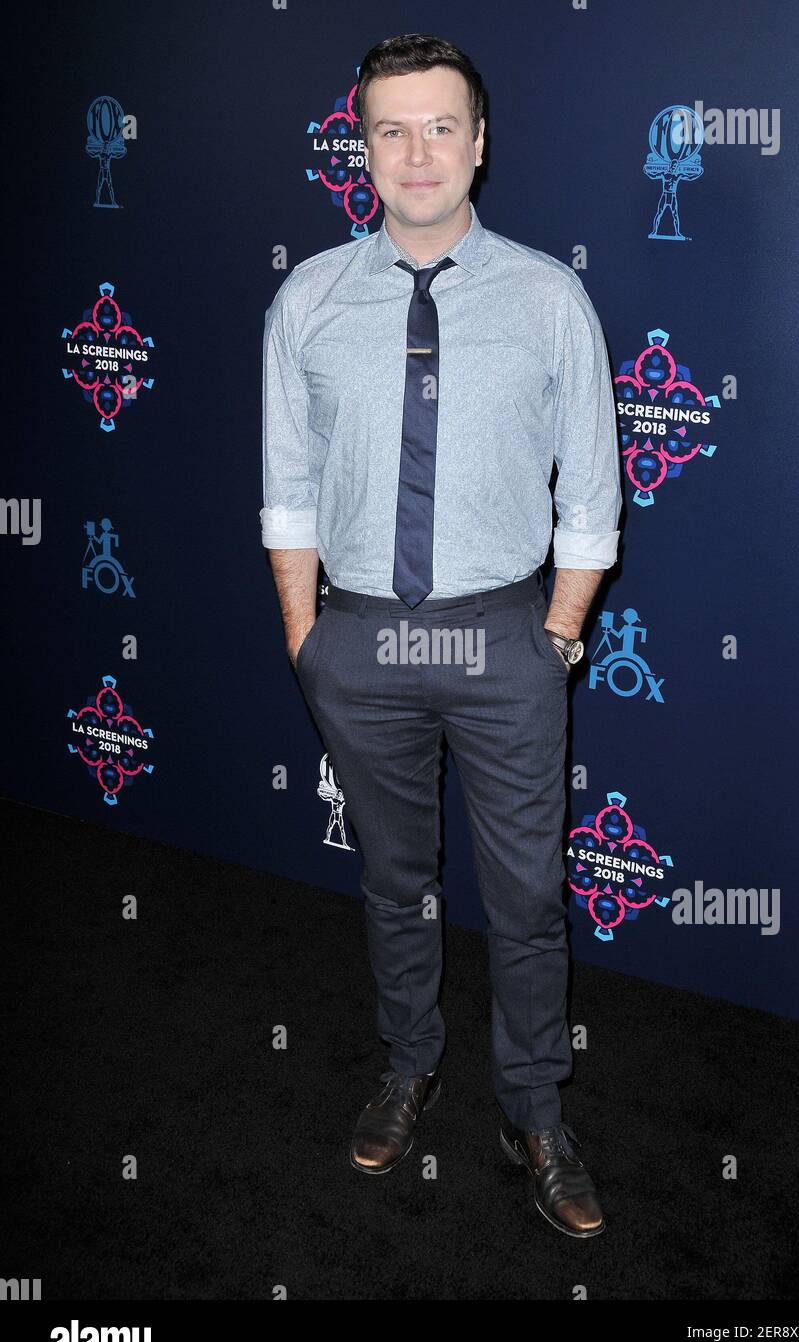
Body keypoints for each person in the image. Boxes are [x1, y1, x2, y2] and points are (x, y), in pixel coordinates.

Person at [261, 32, 621, 1238]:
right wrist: (311, 640)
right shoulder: (307, 298)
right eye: (389, 130)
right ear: (359, 147)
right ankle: (407, 1062)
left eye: (440, 127)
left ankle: (531, 1107)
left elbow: (593, 494)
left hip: (503, 643)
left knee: (526, 900)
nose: (416, 154)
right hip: (361, 644)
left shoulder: (548, 296)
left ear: (480, 140)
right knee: (395, 883)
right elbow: (288, 491)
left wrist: (558, 637)